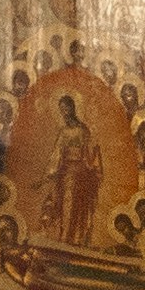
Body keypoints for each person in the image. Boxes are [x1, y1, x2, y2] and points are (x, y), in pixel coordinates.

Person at [43, 92, 105, 248]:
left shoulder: (83, 130)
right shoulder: (63, 131)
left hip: (80, 172)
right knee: (63, 205)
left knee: (76, 206)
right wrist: (51, 173)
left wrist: (93, 159)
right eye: (61, 109)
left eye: (66, 108)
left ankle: (72, 239)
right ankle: (64, 237)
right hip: (65, 172)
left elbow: (90, 153)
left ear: (73, 108)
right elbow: (57, 154)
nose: (64, 112)